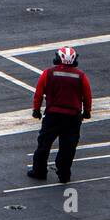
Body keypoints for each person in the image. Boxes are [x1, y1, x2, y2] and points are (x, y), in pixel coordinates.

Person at [29, 46, 92, 183]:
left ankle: (39, 171)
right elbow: (87, 96)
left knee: (44, 144)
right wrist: (87, 112)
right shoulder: (81, 76)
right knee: (68, 147)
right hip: (72, 117)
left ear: (58, 58)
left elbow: (39, 93)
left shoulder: (48, 73)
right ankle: (64, 174)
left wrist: (36, 110)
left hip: (53, 115)